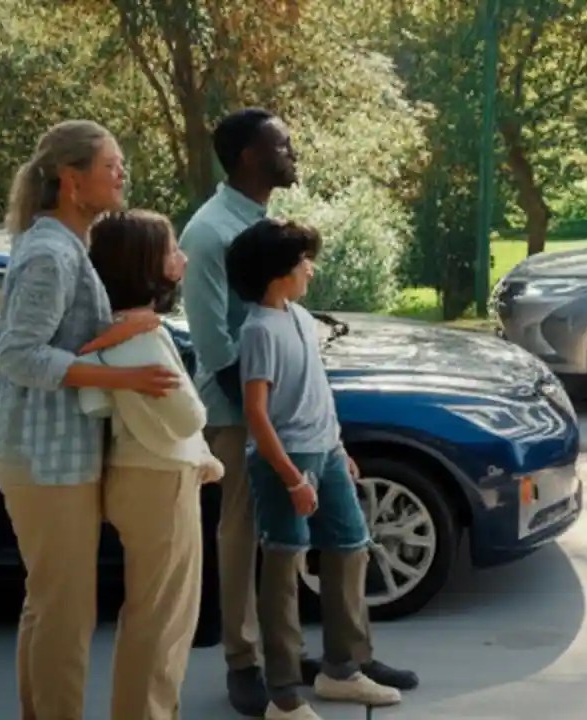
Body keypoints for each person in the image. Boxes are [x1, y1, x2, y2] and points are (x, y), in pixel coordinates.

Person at [180, 107, 415, 716]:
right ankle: (246, 663)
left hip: (290, 415)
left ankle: (343, 658)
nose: (293, 153)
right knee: (246, 538)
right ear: (249, 157)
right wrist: (265, 424)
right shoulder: (207, 233)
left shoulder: (264, 226)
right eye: (282, 144)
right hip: (239, 412)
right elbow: (212, 341)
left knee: (332, 535)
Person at [0, 120, 181, 719]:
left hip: (48, 453)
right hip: (44, 457)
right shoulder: (50, 251)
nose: (122, 175)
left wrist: (118, 332)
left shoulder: (63, 245)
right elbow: (18, 355)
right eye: (111, 166)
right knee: (65, 614)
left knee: (48, 606)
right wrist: (126, 377)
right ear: (72, 181)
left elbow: (59, 340)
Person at [227, 218, 402, 720]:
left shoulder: (300, 317)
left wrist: (337, 447)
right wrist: (290, 477)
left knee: (350, 547)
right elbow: (256, 414)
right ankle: (283, 695)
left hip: (325, 452)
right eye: (304, 260)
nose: (311, 268)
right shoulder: (259, 330)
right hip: (287, 462)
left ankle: (342, 669)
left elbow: (316, 392)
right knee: (283, 569)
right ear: (278, 272)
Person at [75, 209, 226, 719]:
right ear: (144, 264)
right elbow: (190, 416)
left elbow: (96, 402)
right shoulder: (139, 336)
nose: (182, 259)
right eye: (171, 250)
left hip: (140, 474)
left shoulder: (118, 331)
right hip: (160, 481)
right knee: (164, 621)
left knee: (153, 616)